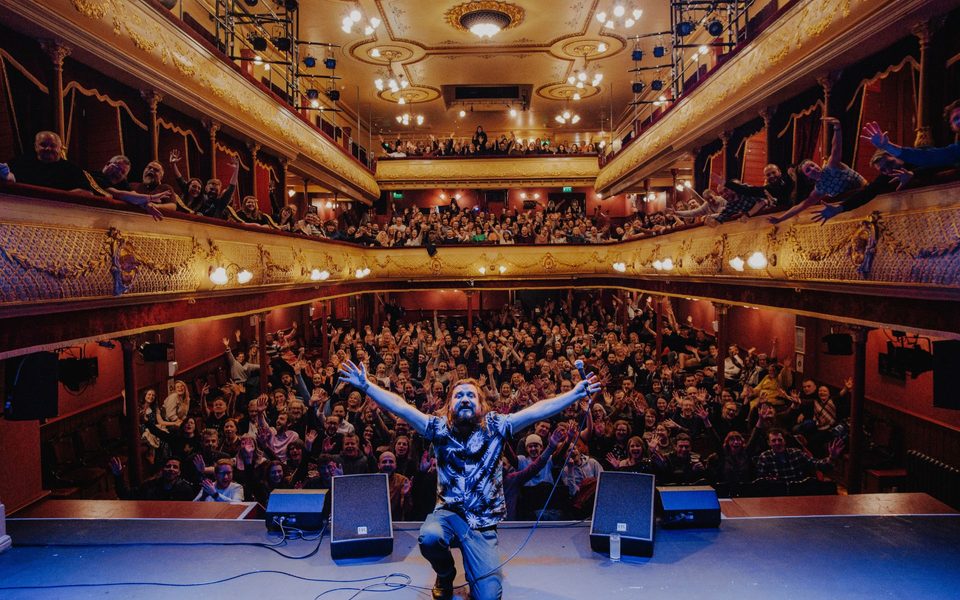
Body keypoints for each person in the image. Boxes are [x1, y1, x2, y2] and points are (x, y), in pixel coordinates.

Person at [338, 359, 600, 600]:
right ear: (449, 404)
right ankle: (446, 574)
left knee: (488, 595)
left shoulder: (498, 425)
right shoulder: (437, 427)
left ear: (481, 403)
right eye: (458, 395)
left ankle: (478, 571)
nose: (464, 399)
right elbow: (403, 408)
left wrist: (575, 394)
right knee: (429, 537)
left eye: (470, 395)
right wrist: (367, 386)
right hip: (449, 514)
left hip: (482, 523)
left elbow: (536, 411)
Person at [768, 116, 866, 224]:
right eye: (808, 170)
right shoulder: (819, 188)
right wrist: (780, 219)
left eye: (813, 165)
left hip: (865, 193)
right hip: (853, 204)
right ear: (807, 177)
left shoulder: (831, 166)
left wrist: (837, 128)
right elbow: (801, 206)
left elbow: (836, 147)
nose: (813, 169)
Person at [860, 100, 960, 169]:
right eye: (956, 119)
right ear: (952, 126)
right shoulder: (956, 150)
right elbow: (928, 157)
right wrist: (887, 146)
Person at [109, 456, 196, 500]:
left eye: (175, 467)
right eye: (168, 466)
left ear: (179, 473)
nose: (171, 469)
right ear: (162, 469)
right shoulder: (149, 486)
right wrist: (118, 475)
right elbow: (125, 495)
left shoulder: (185, 490)